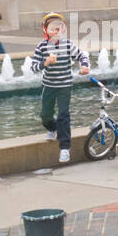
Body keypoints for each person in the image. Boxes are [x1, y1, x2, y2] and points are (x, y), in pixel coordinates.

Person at [30, 12, 91, 164]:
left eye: (59, 28)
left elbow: (82, 56)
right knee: (45, 115)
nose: (56, 31)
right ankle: (52, 127)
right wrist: (45, 63)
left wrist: (84, 66)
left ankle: (65, 148)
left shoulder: (68, 45)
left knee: (64, 115)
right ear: (46, 30)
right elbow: (33, 67)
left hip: (65, 85)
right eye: (52, 28)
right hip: (49, 85)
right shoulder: (42, 46)